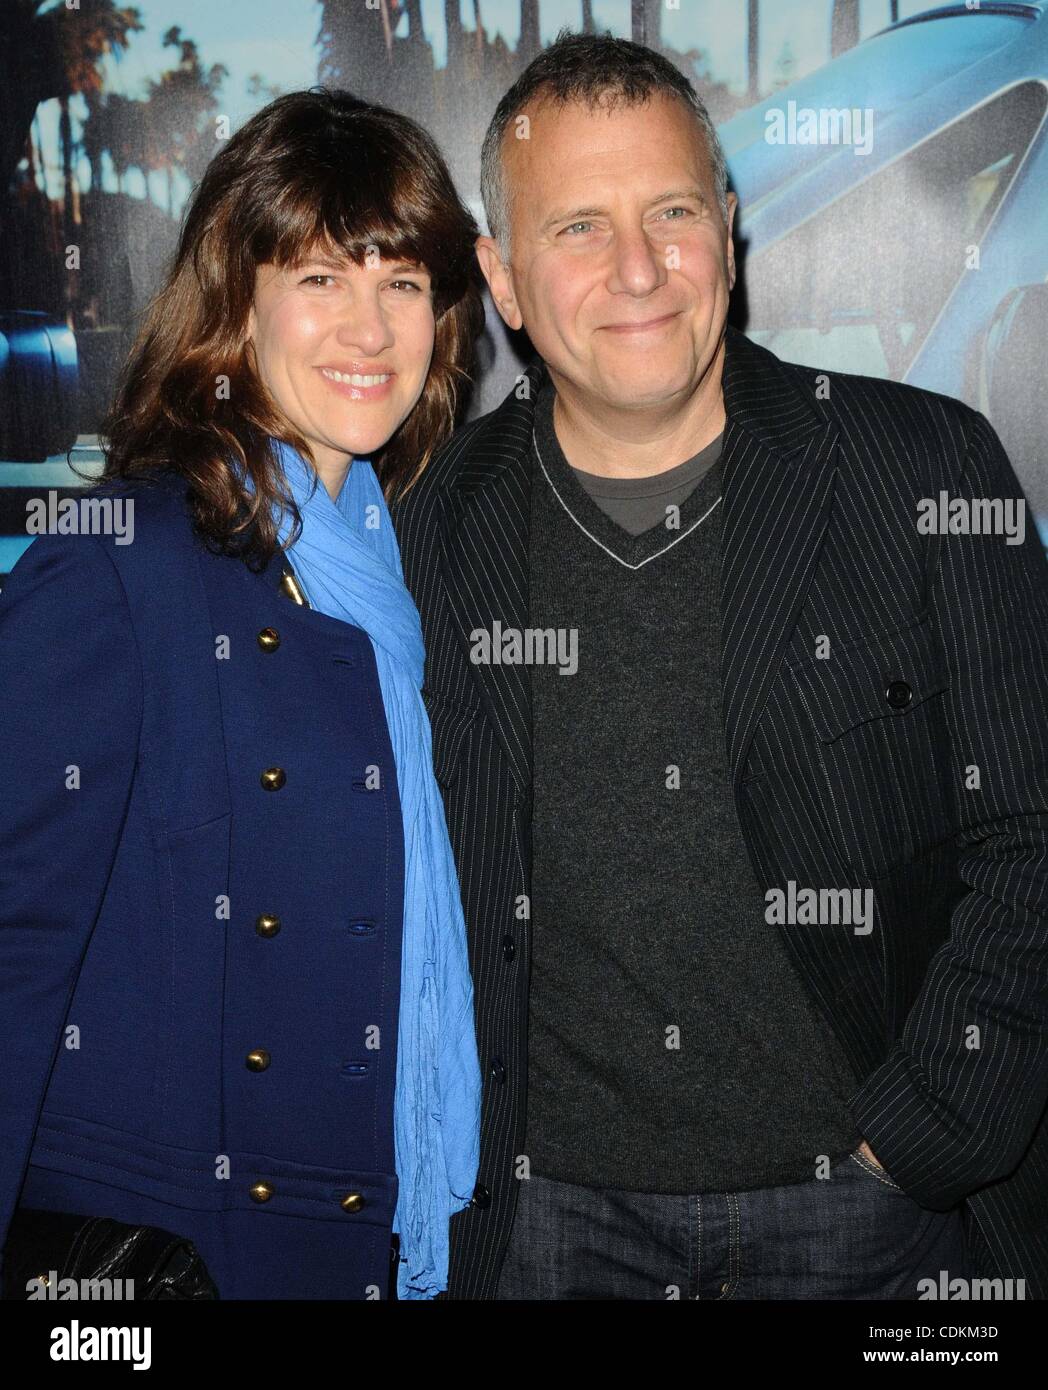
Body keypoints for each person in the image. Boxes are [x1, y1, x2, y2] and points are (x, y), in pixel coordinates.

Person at [392, 31, 1048, 1300]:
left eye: (673, 211)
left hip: (871, 1223)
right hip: (538, 1233)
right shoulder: (424, 531)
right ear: (503, 278)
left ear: (731, 233)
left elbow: (1034, 831)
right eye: (577, 226)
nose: (638, 269)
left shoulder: (924, 470)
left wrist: (920, 1137)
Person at [0, 88, 485, 1301]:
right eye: (321, 278)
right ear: (236, 300)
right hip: (178, 1257)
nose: (369, 328)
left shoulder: (397, 573)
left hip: (359, 1237)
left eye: (402, 282)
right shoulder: (124, 562)